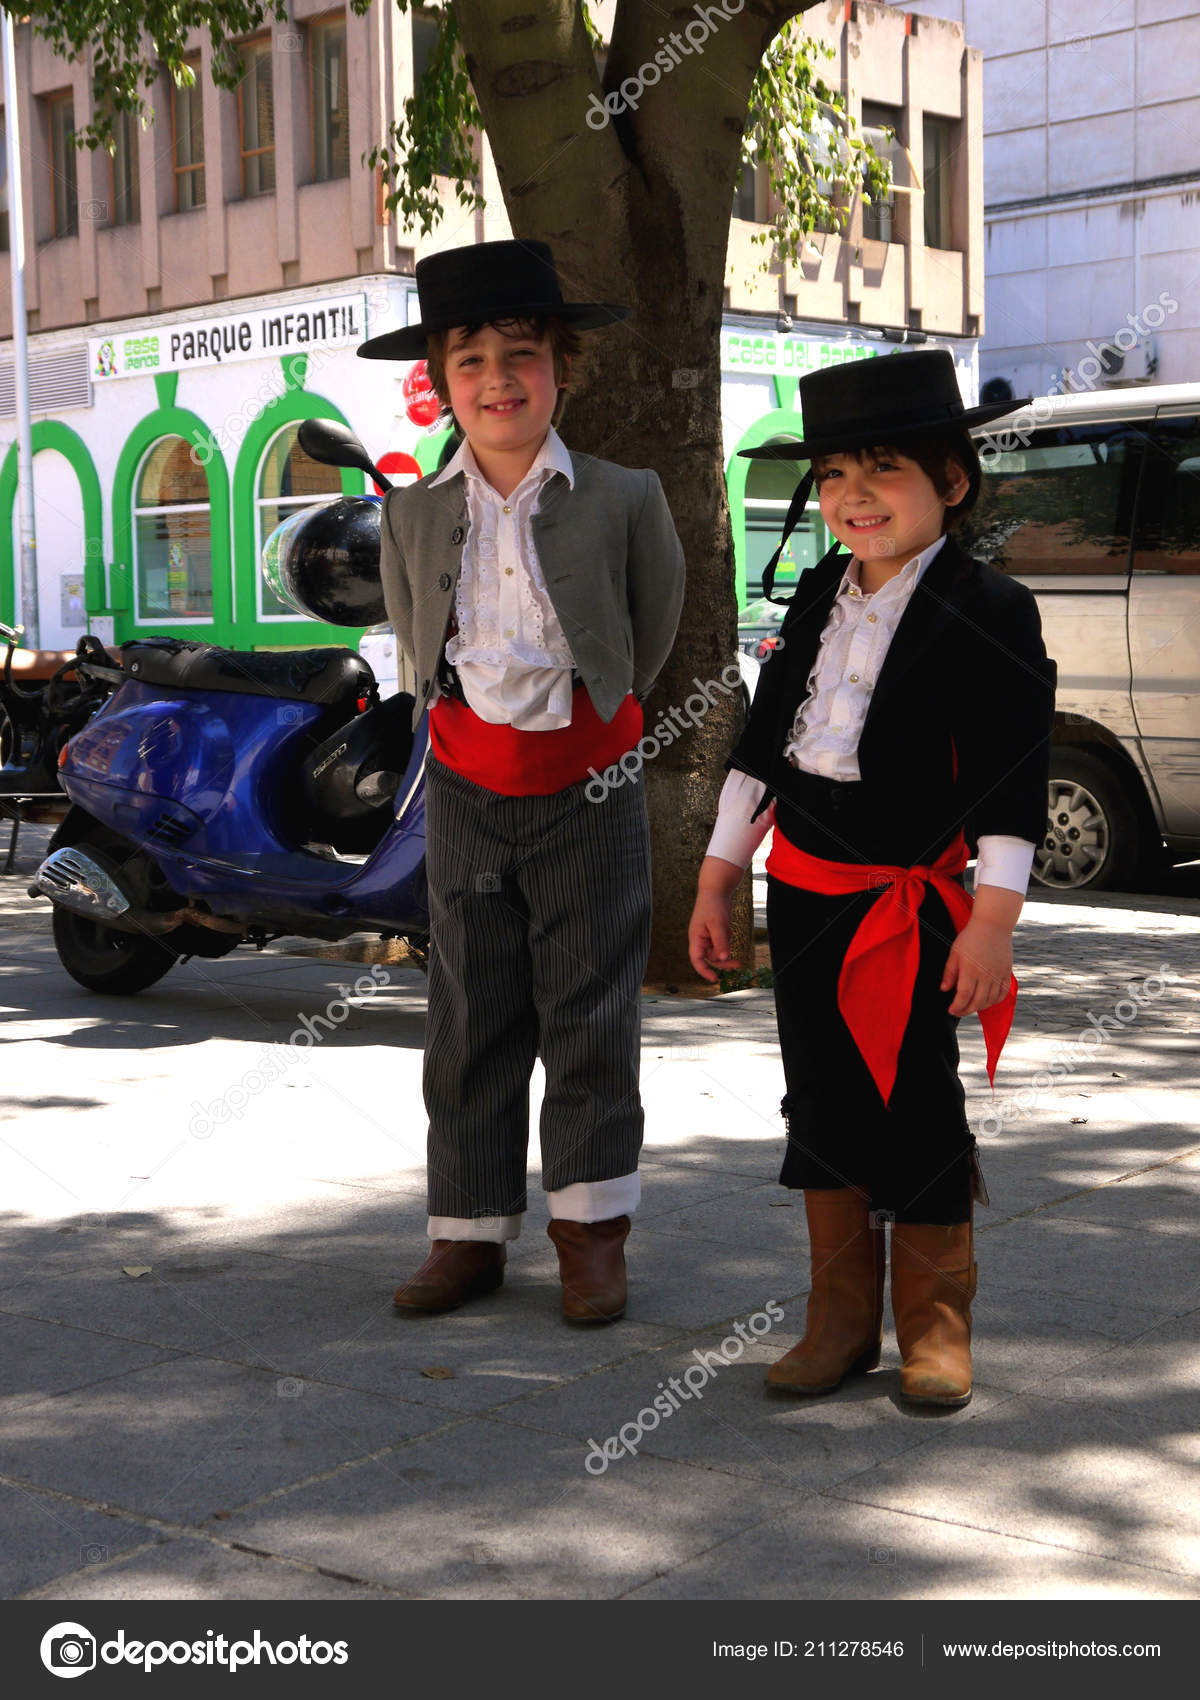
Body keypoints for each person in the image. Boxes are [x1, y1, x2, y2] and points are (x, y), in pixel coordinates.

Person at [688, 350, 1056, 1406]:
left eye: (884, 468)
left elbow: (1009, 780)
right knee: (823, 1089)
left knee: (915, 1093)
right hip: (806, 892)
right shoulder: (814, 594)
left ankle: (936, 1322)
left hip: (915, 900)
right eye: (838, 471)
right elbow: (762, 747)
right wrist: (720, 876)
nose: (855, 494)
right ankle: (839, 1315)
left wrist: (991, 924)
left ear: (951, 481)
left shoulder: (992, 607)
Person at [360, 239, 685, 1322]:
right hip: (465, 789)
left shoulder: (627, 496)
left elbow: (653, 630)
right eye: (471, 361)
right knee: (468, 1014)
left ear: (562, 368)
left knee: (590, 1011)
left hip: (588, 785)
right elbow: (417, 636)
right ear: (442, 383)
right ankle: (467, 1231)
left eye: (521, 354)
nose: (497, 378)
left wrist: (603, 725)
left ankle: (592, 1231)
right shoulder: (410, 513)